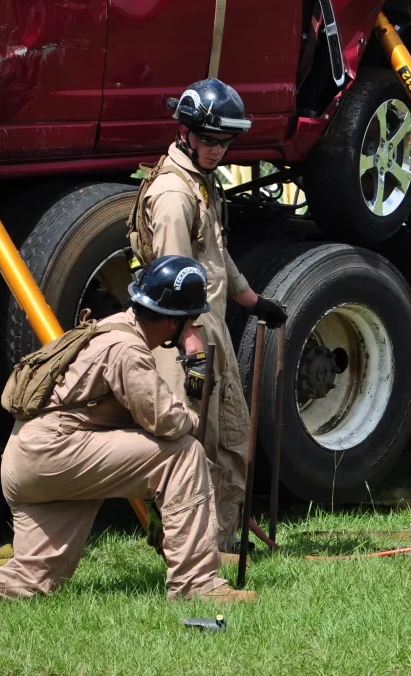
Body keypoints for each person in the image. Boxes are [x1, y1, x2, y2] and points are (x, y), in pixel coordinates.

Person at [0, 256, 256, 618]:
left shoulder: (112, 329)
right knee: (182, 454)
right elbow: (165, 422)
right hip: (56, 452)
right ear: (176, 320)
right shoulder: (126, 349)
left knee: (37, 578)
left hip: (28, 460)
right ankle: (197, 585)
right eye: (189, 319)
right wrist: (192, 410)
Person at [127, 79, 287, 554]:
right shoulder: (174, 195)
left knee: (232, 440)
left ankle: (221, 540)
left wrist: (252, 301)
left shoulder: (201, 184)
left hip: (210, 331)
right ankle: (192, 547)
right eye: (210, 140)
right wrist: (193, 351)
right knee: (198, 446)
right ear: (186, 133)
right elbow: (175, 285)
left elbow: (216, 256)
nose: (218, 150)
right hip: (188, 344)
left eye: (225, 142)